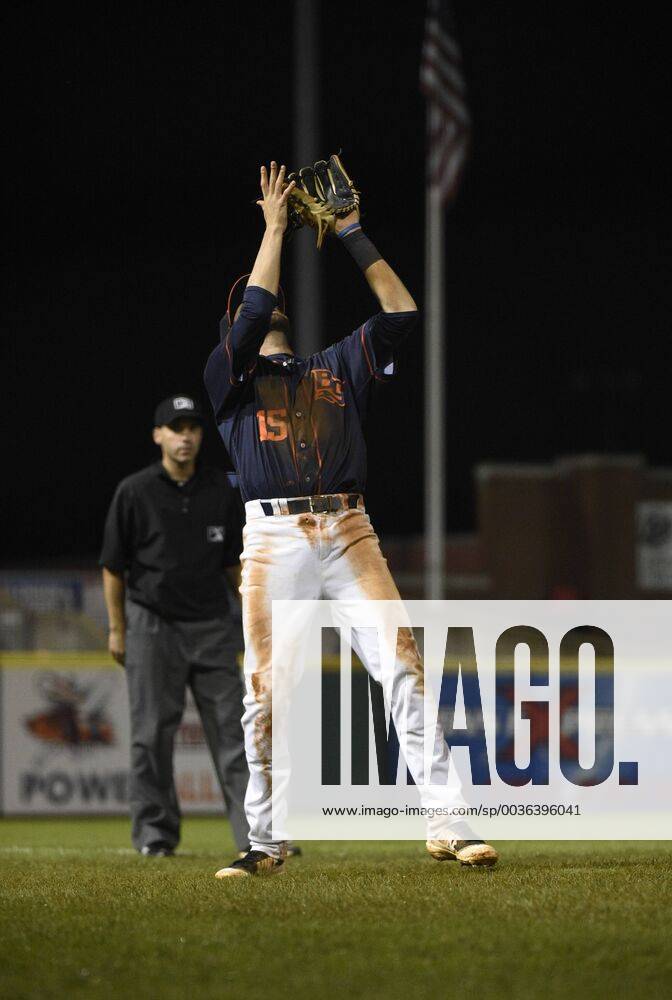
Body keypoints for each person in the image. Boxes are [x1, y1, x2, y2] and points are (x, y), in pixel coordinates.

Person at [204, 162, 498, 877]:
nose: (262, 309)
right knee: (267, 689)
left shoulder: (333, 365)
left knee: (406, 671)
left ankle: (449, 827)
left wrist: (352, 234)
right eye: (249, 307)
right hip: (274, 540)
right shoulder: (229, 379)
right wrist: (274, 228)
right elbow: (254, 304)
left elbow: (401, 313)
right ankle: (265, 844)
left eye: (266, 302)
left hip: (349, 533)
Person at [100, 394, 249, 857]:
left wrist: (257, 617)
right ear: (158, 435)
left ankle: (259, 837)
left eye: (192, 428)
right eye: (175, 427)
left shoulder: (221, 492)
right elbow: (113, 567)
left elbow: (235, 567)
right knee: (150, 737)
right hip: (152, 625)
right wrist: (117, 628)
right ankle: (155, 837)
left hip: (212, 626)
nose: (185, 436)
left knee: (235, 736)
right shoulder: (134, 490)